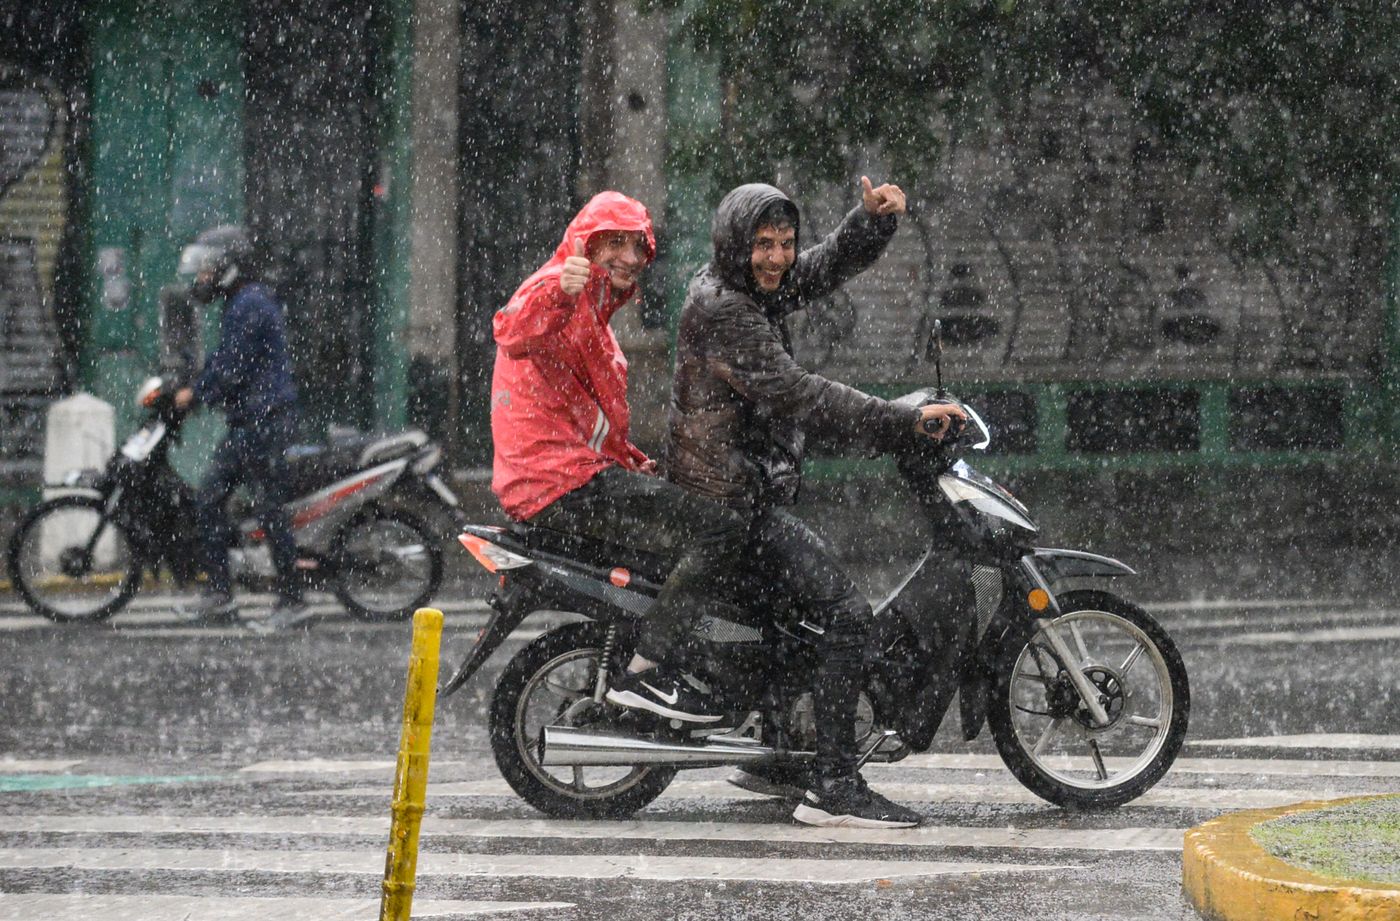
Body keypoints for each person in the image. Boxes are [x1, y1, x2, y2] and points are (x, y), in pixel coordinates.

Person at [659, 177, 966, 828]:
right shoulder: (727, 311)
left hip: (733, 489)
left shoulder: (743, 285)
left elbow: (822, 266)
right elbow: (802, 395)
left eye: (784, 242)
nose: (776, 257)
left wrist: (871, 221)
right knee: (847, 615)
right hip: (729, 502)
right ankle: (834, 782)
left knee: (794, 627)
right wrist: (902, 420)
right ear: (735, 244)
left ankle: (776, 755)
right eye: (763, 244)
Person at [490, 191, 749, 721]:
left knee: (672, 550)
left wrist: (630, 458)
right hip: (560, 483)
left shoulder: (593, 315)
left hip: (569, 474)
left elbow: (584, 412)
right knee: (718, 530)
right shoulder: (559, 288)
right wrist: (557, 294)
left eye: (639, 246)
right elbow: (512, 329)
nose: (631, 257)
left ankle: (657, 662)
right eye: (616, 242)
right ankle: (651, 672)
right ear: (586, 243)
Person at [173, 225, 310, 633]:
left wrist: (193, 395)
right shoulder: (243, 303)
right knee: (216, 500)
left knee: (259, 507)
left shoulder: (248, 304)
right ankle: (221, 592)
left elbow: (231, 369)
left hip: (261, 424)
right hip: (254, 421)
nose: (201, 279)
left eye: (207, 270)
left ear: (229, 269)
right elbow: (224, 362)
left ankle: (289, 599)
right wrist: (198, 385)